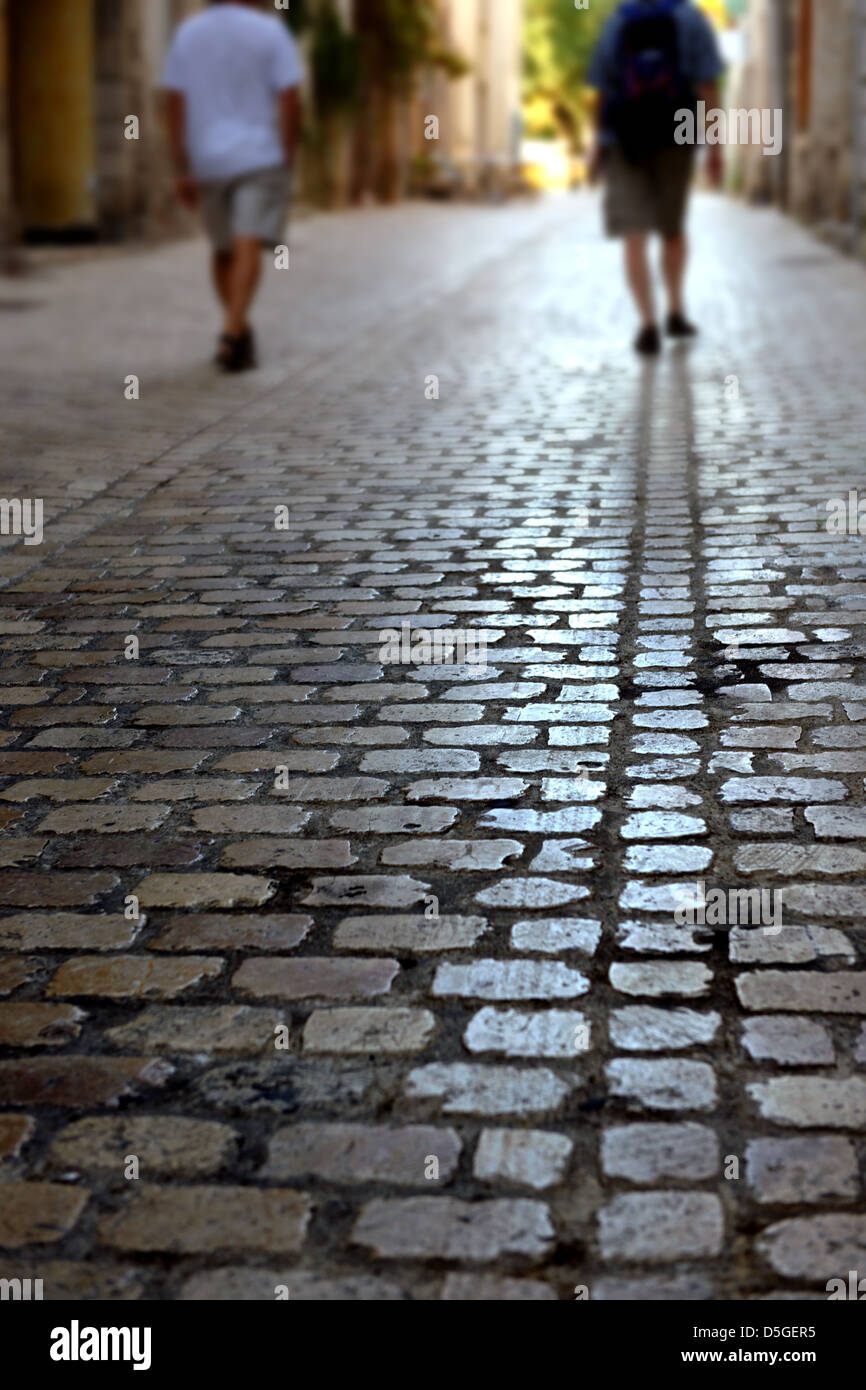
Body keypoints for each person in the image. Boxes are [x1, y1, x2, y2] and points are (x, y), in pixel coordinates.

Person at [162, 1, 303, 372]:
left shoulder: (187, 34)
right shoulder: (271, 31)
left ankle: (234, 330)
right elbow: (290, 98)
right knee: (248, 241)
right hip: (260, 155)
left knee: (224, 249)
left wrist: (181, 164)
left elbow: (175, 101)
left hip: (208, 159)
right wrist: (288, 155)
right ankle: (235, 328)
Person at [587, 0, 724, 355]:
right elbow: (707, 87)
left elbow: (601, 91)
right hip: (676, 134)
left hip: (624, 139)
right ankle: (675, 309)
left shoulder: (617, 20)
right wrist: (715, 148)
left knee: (635, 236)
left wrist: (596, 147)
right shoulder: (691, 18)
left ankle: (648, 324)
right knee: (672, 229)